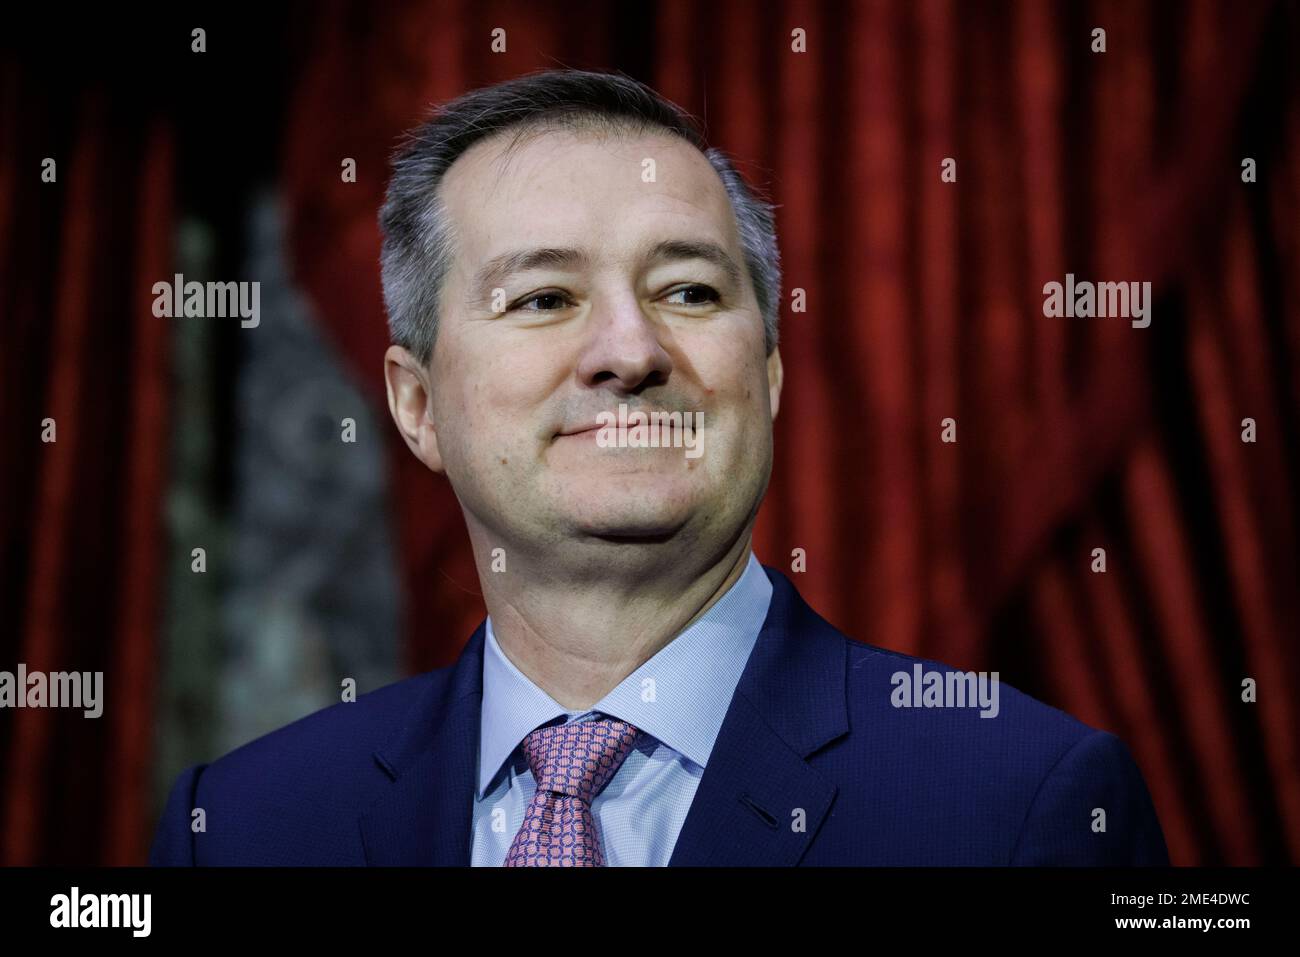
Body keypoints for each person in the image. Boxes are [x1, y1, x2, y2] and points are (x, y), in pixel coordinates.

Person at [150, 68, 1168, 866]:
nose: (630, 351)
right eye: (544, 299)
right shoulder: (238, 830)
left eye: (687, 291)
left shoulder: (1022, 804)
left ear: (765, 374)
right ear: (417, 406)